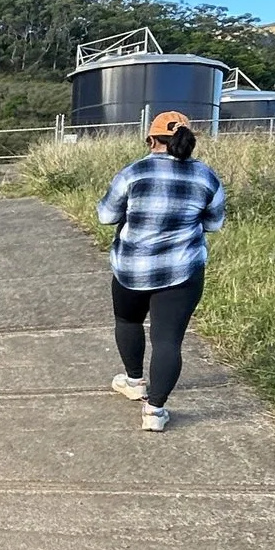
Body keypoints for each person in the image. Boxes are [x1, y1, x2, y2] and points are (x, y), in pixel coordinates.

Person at [95, 110, 225, 433]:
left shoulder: (133, 173)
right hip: (182, 270)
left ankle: (134, 382)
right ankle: (154, 411)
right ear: (189, 140)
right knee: (167, 340)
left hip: (131, 268)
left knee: (128, 321)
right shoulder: (206, 177)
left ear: (151, 140)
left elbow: (106, 216)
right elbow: (214, 224)